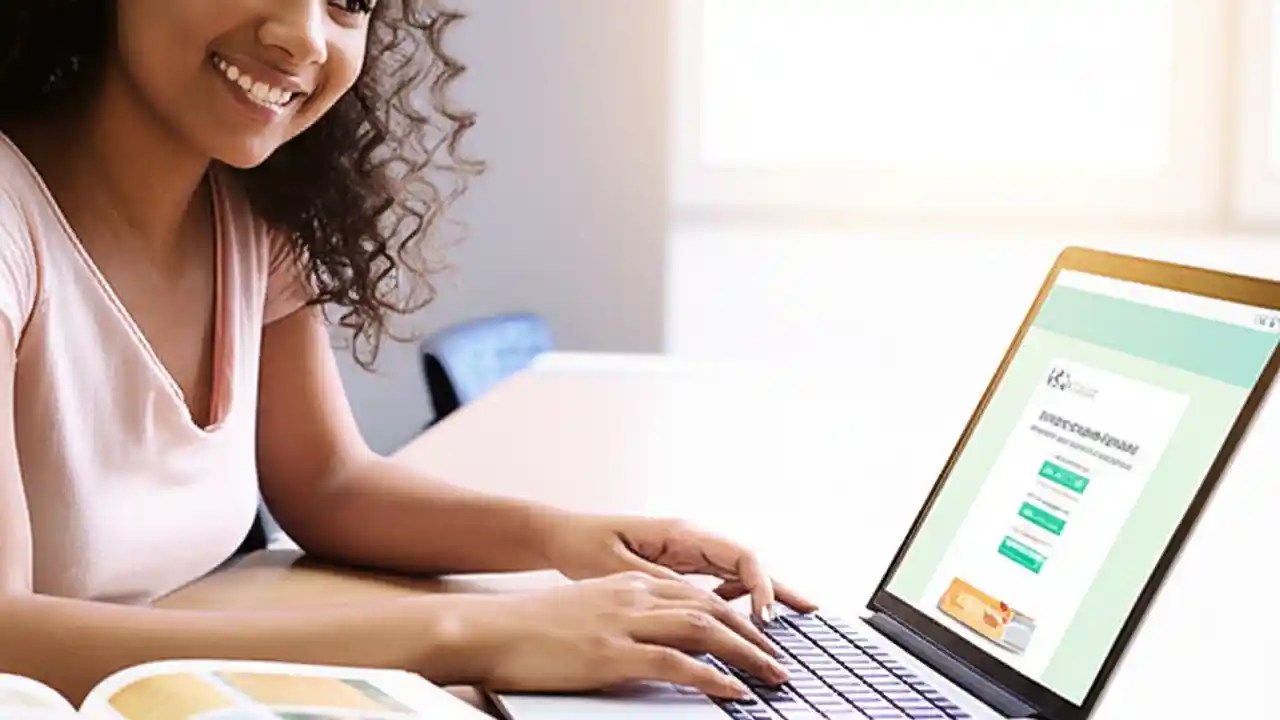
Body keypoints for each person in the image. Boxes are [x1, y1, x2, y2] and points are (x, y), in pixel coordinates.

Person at [0, 0, 818, 706]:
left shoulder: (250, 216)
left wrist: (570, 541)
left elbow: (327, 484)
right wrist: (479, 630)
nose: (305, 38)